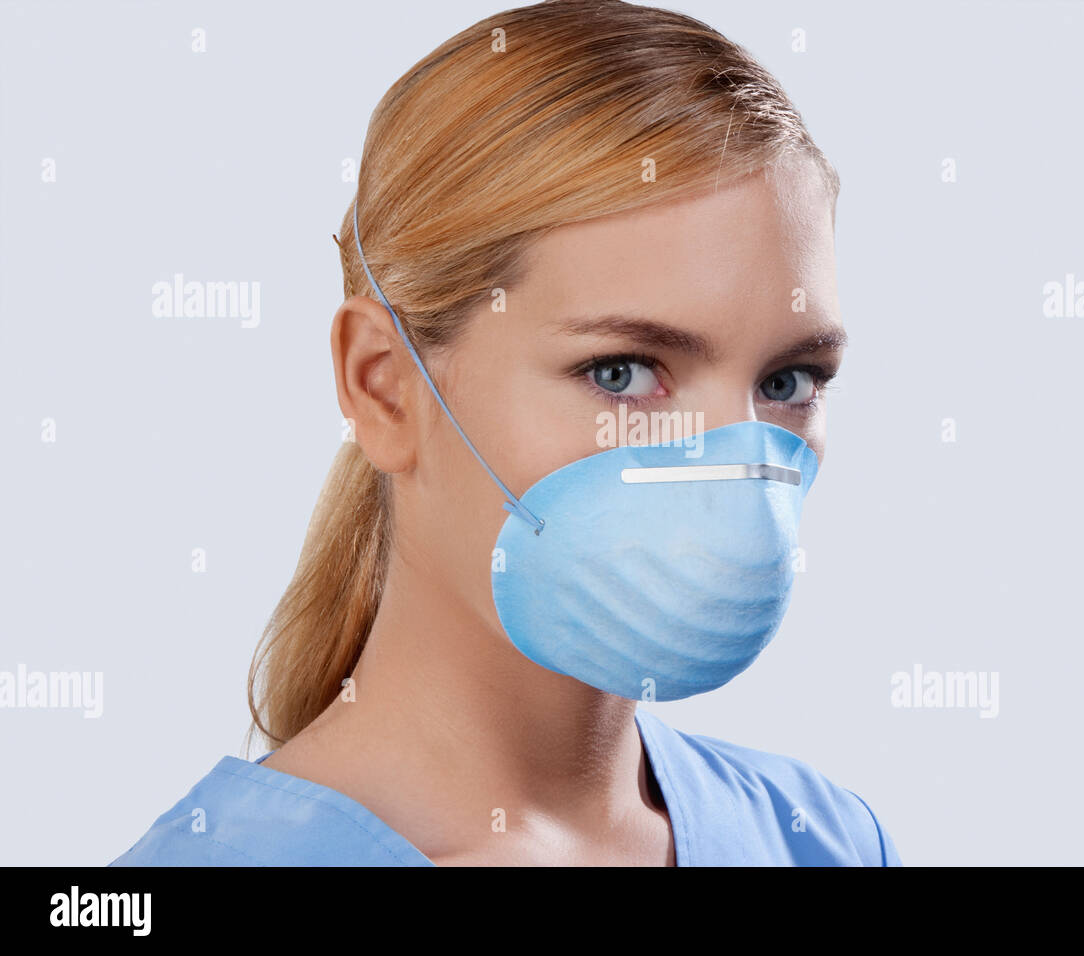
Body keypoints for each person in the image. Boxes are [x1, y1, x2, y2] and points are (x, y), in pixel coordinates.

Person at [110, 0, 901, 867]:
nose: (732, 457)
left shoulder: (825, 838)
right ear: (384, 386)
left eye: (788, 382)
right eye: (622, 372)